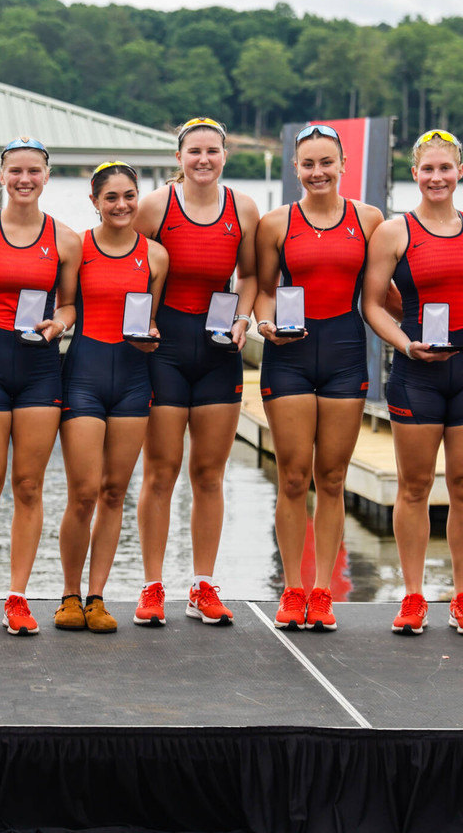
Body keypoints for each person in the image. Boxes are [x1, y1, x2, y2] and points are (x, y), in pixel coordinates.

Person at [362, 129, 463, 638]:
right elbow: (372, 303)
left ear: (461, 172)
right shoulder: (395, 232)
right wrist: (405, 344)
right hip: (416, 370)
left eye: (445, 168)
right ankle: (414, 596)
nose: (436, 177)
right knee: (413, 487)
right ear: (414, 174)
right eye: (427, 169)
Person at [254, 124, 387, 631]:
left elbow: (384, 292)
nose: (317, 173)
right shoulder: (274, 224)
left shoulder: (369, 220)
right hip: (289, 355)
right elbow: (265, 291)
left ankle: (324, 591)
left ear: (343, 164)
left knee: (332, 479)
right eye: (308, 164)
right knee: (292, 477)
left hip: (345, 353)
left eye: (326, 163)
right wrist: (266, 325)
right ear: (295, 168)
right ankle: (292, 588)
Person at [131, 117, 259, 627]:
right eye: (194, 152)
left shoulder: (242, 208)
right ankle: (153, 585)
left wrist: (244, 318)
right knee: (160, 473)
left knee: (209, 474)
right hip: (165, 351)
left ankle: (203, 585)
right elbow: (132, 268)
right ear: (178, 157)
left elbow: (249, 275)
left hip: (218, 351)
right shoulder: (155, 207)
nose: (203, 160)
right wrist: (139, 330)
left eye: (212, 151)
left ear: (224, 155)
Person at [0, 137, 80, 637]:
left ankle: (18, 597)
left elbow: (68, 305)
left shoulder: (65, 240)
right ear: (1, 174)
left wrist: (60, 323)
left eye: (33, 171)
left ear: (46, 177)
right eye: (15, 171)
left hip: (40, 368)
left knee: (28, 486)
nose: (24, 179)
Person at [54, 162, 168, 634]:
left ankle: (97, 597)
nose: (121, 205)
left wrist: (152, 338)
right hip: (83, 375)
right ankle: (68, 595)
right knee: (82, 493)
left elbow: (151, 321)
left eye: (128, 196)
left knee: (115, 492)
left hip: (133, 381)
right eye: (111, 197)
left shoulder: (156, 257)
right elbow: (64, 305)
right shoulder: (78, 248)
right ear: (95, 202)